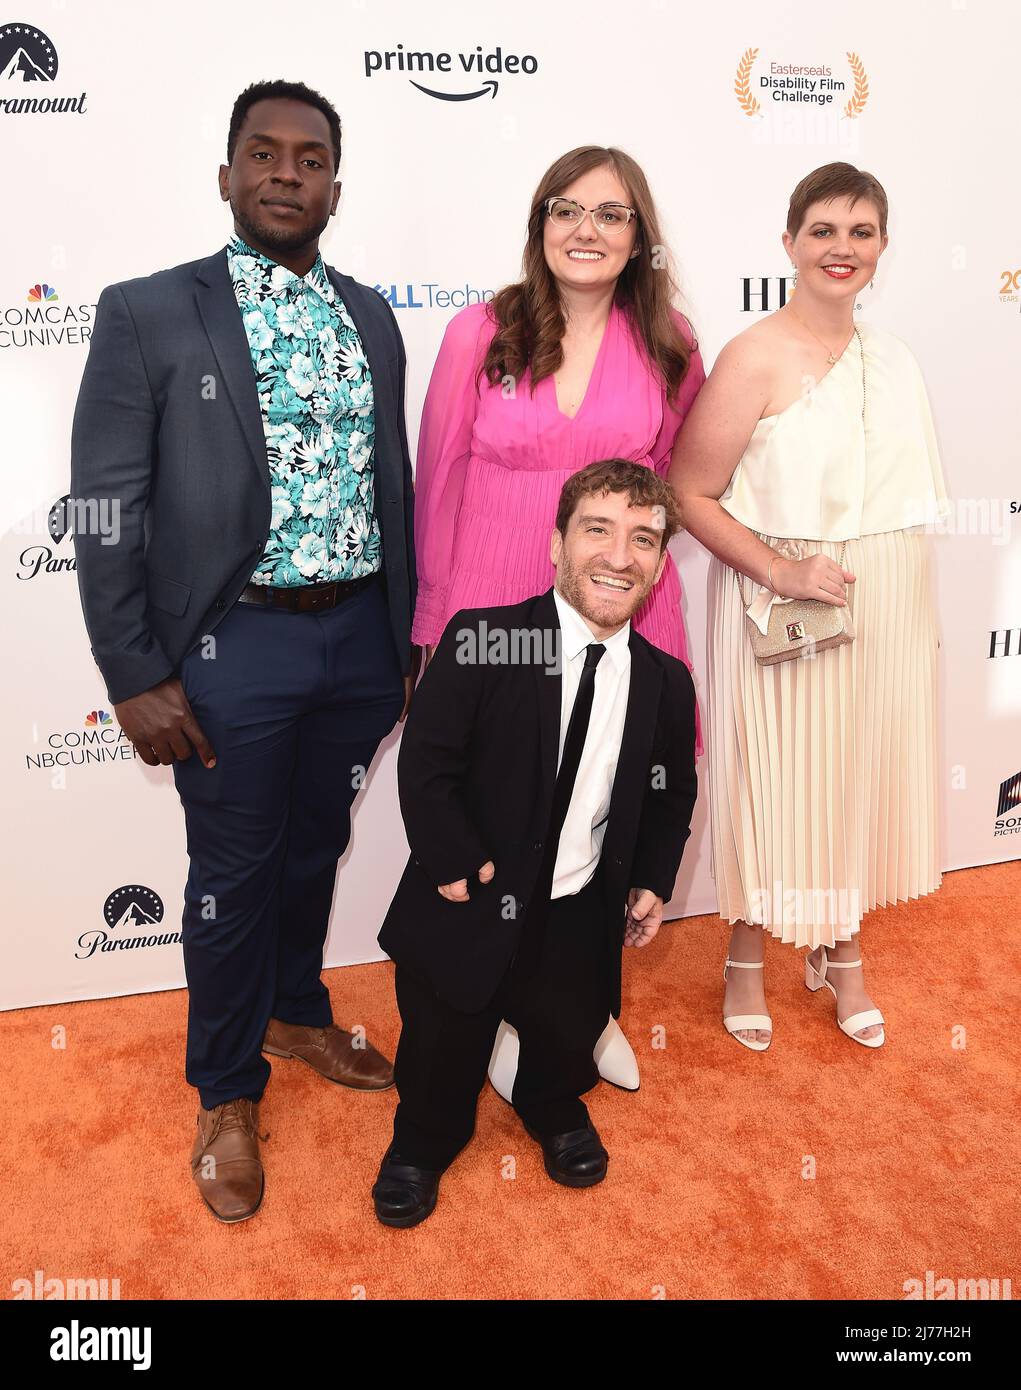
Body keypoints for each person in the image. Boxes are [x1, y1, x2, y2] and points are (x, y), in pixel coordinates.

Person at [69, 80, 419, 1222]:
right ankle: (225, 1090)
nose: (285, 173)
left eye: (308, 158)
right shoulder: (148, 312)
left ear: (334, 184)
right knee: (231, 876)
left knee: (314, 848)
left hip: (360, 638)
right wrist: (133, 672)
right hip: (233, 644)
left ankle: (295, 1007)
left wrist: (403, 637)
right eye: (261, 155)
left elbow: (391, 483)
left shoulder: (371, 315)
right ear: (226, 177)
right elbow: (106, 508)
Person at [411, 144, 706, 1086]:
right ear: (540, 225)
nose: (586, 230)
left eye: (611, 214)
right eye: (566, 210)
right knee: (509, 804)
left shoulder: (672, 343)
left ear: (637, 237)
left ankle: (584, 1007)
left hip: (619, 597)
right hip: (495, 595)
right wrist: (430, 625)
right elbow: (438, 477)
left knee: (611, 810)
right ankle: (496, 1008)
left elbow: (666, 483)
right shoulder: (480, 332)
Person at [372, 460, 698, 1227]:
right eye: (598, 530)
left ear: (657, 564)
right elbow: (428, 761)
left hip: (578, 903)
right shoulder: (487, 640)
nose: (619, 556)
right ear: (555, 543)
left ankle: (550, 1105)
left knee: (564, 1029)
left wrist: (651, 876)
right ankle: (422, 1140)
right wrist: (449, 857)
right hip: (473, 895)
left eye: (643, 540)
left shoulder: (665, 680)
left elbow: (668, 791)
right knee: (442, 1041)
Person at [669, 162, 950, 1052]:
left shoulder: (895, 357)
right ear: (787, 242)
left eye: (860, 232)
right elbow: (689, 491)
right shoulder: (752, 354)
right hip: (780, 603)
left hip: (884, 600)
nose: (841, 248)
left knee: (856, 774)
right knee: (775, 780)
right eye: (822, 230)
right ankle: (746, 952)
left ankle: (842, 948)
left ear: (881, 249)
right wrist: (780, 571)